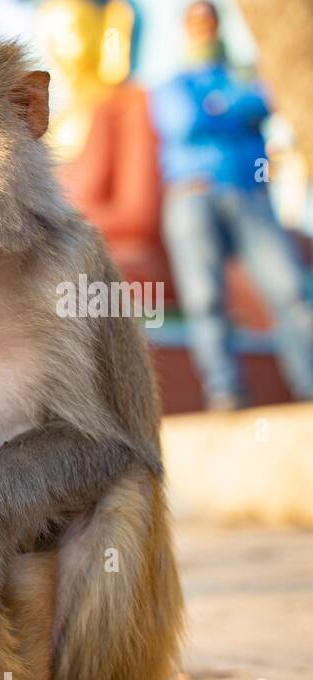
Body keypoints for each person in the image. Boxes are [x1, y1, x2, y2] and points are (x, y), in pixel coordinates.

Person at [151, 0, 313, 410]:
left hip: (250, 195)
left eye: (209, 20)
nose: (203, 28)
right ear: (185, 29)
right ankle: (225, 391)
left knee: (290, 290)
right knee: (205, 300)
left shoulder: (243, 74)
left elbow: (265, 102)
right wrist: (237, 108)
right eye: (195, 22)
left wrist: (222, 108)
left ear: (219, 26)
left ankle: (308, 383)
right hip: (192, 198)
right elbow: (182, 121)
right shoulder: (172, 84)